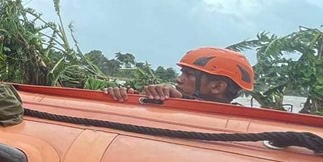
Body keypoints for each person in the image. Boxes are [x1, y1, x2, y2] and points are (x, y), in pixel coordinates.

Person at [104, 48, 256, 104]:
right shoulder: (164, 99)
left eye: (189, 74)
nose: (178, 79)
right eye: (182, 72)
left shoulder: (243, 125)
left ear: (217, 87)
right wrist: (124, 98)